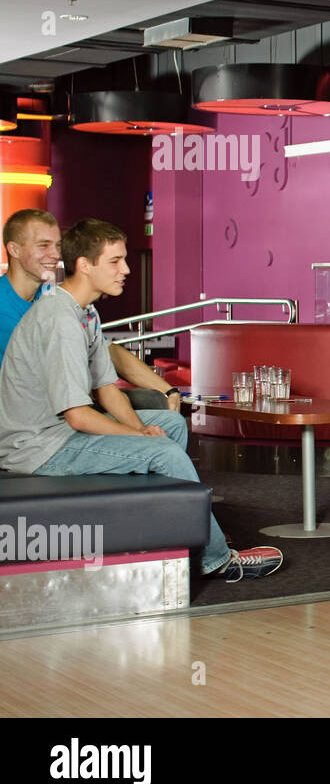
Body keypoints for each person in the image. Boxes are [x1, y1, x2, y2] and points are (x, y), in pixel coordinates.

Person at [0, 218, 281, 582]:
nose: (127, 270)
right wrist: (138, 438)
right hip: (36, 447)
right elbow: (79, 417)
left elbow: (106, 389)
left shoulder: (84, 311)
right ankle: (217, 559)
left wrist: (140, 428)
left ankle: (172, 535)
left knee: (169, 424)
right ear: (84, 265)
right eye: (115, 261)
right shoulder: (58, 319)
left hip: (58, 434)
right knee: (162, 451)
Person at [1, 209, 178, 411]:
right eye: (43, 245)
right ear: (14, 250)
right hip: (25, 418)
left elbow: (105, 350)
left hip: (61, 406)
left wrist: (168, 391)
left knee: (155, 402)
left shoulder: (53, 295)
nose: (55, 254)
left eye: (57, 245)